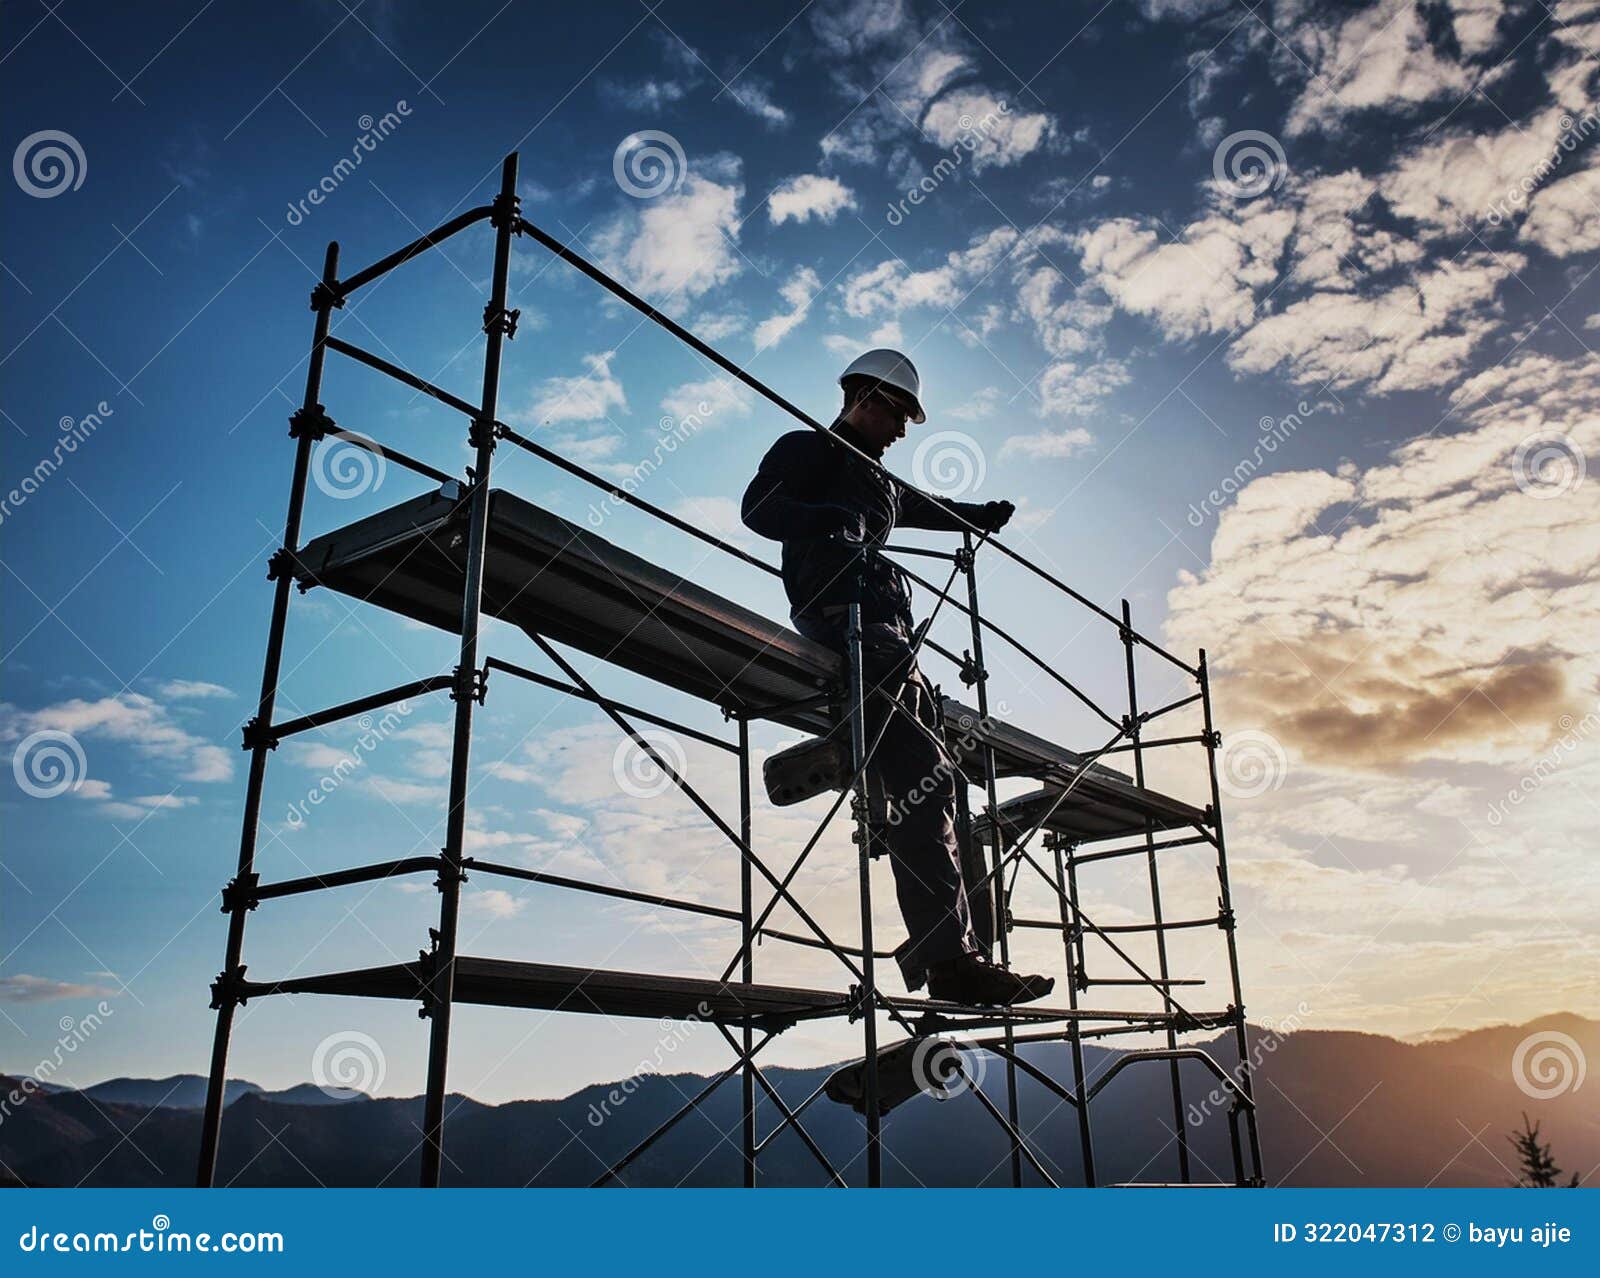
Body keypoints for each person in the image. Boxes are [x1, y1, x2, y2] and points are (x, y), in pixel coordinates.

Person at [740, 349, 1054, 1007]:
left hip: (889, 636)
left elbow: (932, 508)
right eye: (897, 412)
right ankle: (949, 964)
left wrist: (981, 515)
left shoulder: (880, 483)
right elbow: (758, 509)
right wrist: (826, 520)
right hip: (841, 614)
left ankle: (951, 953)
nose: (903, 429)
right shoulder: (810, 450)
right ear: (863, 397)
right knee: (924, 778)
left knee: (936, 784)